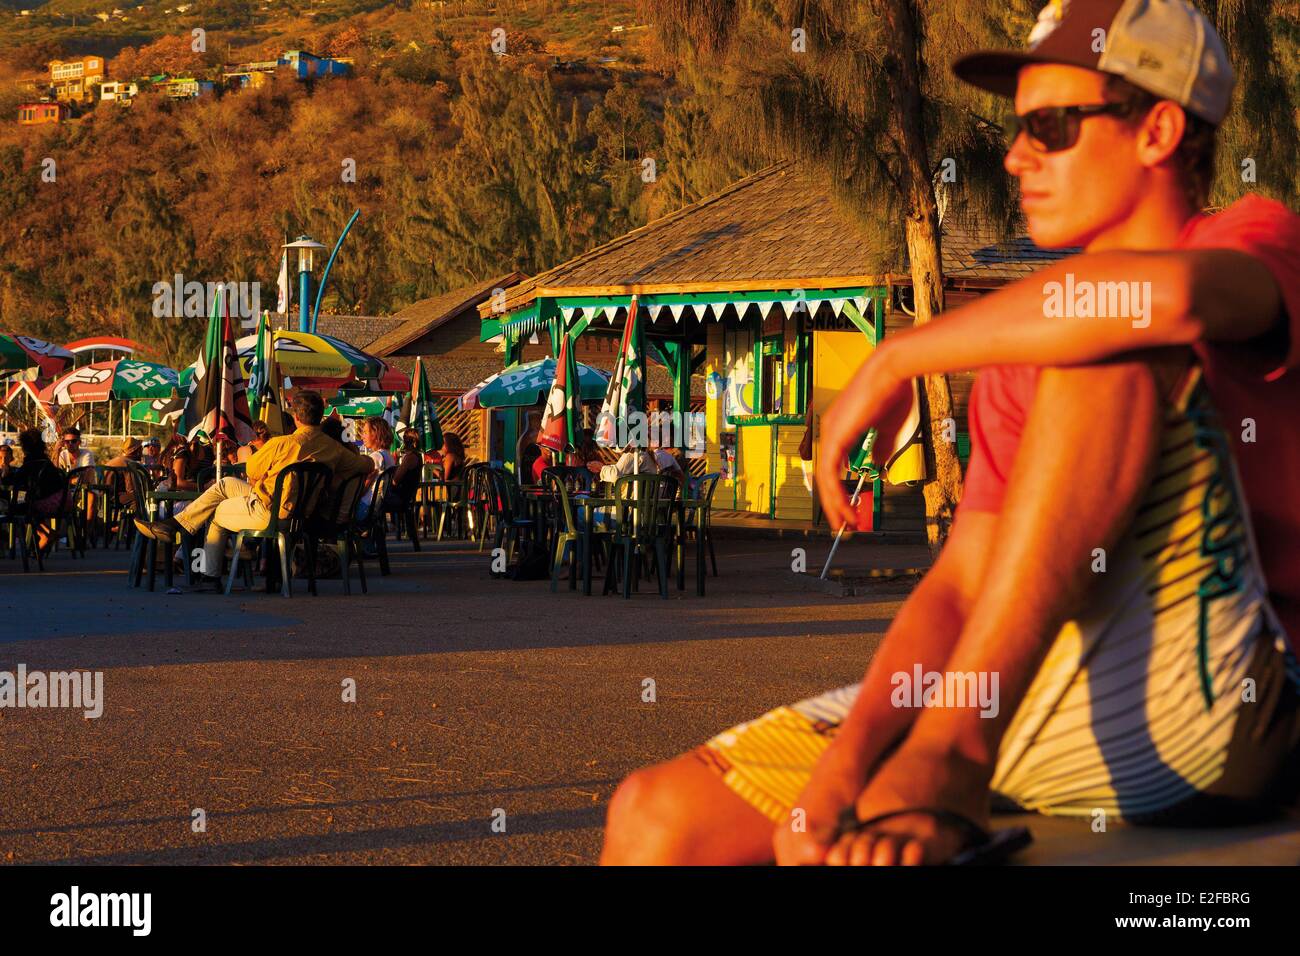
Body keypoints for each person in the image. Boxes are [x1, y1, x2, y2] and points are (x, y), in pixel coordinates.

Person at [603, 0, 1300, 866]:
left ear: (1159, 130)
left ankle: (951, 760)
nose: (1015, 157)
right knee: (656, 818)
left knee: (1109, 349)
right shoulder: (1021, 349)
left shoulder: (1255, 239)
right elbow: (962, 587)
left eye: (1051, 126)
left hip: (1232, 701)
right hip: (1042, 698)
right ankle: (935, 755)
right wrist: (844, 772)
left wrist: (895, 361)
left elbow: (1163, 301)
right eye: (1017, 129)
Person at [144, 390, 374, 583]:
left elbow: (251, 470)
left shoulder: (282, 443)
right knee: (225, 484)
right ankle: (175, 525)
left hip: (270, 510)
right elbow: (367, 464)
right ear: (320, 415)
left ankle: (210, 575)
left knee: (217, 510)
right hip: (300, 513)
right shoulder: (332, 448)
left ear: (296, 417)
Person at [1, 429, 67, 552]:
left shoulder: (30, 464)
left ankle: (44, 535)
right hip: (63, 501)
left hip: (47, 504)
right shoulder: (46, 462)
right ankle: (46, 534)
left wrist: (5, 473)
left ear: (25, 447)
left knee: (19, 509)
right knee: (29, 506)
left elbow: (15, 483)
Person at [357, 416, 395, 521]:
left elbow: (363, 490)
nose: (362, 437)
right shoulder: (388, 456)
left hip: (365, 508)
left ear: (376, 434)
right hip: (378, 508)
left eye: (365, 432)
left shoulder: (375, 457)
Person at [102, 436, 143, 507]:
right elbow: (131, 489)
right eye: (141, 448)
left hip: (103, 496)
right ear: (137, 451)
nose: (142, 452)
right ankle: (136, 517)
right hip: (113, 498)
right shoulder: (129, 464)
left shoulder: (115, 460)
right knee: (139, 495)